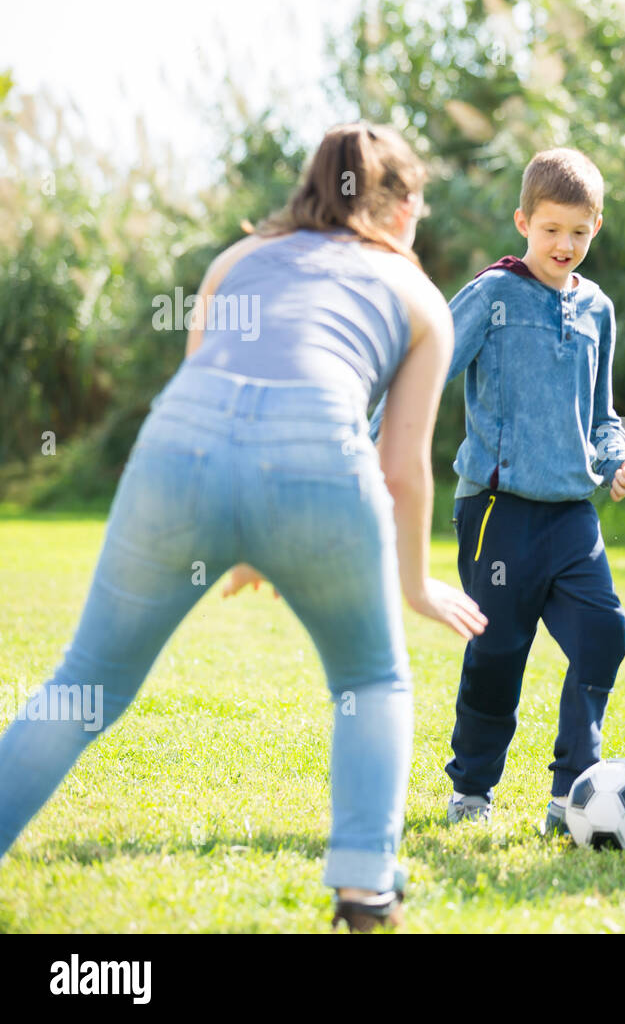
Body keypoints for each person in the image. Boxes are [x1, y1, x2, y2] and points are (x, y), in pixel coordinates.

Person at [0, 122, 486, 930]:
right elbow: (402, 470)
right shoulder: (417, 297)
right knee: (370, 681)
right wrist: (414, 584)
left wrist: (242, 532)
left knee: (86, 681)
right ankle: (365, 892)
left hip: (177, 452)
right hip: (320, 464)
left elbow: (213, 389)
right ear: (400, 208)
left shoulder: (236, 261)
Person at [370, 147, 625, 835]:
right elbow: (425, 370)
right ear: (524, 220)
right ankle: (472, 790)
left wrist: (616, 460)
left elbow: (603, 413)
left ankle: (573, 794)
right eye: (551, 229)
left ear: (596, 228)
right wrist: (368, 445)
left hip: (572, 514)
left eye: (579, 231)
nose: (565, 245)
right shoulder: (493, 294)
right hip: (497, 511)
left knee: (602, 636)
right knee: (498, 649)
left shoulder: (598, 310)